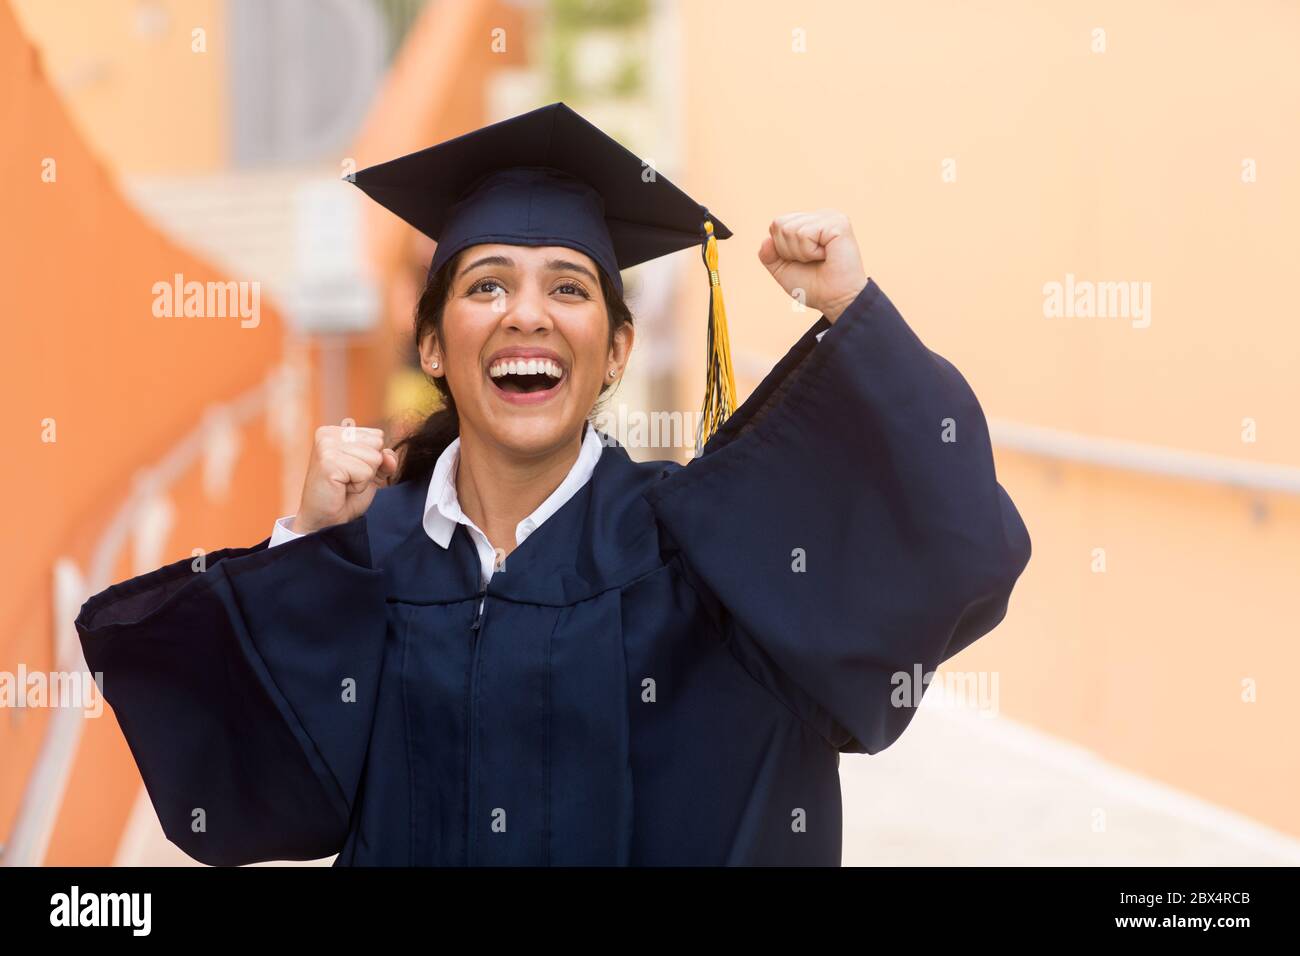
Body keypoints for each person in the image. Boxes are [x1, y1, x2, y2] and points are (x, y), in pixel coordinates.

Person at [76, 103, 1031, 866]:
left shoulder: (706, 557)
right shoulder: (369, 560)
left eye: (569, 287)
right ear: (431, 346)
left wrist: (848, 309)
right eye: (486, 285)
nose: (526, 314)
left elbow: (955, 549)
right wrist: (307, 551)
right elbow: (248, 802)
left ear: (615, 352)